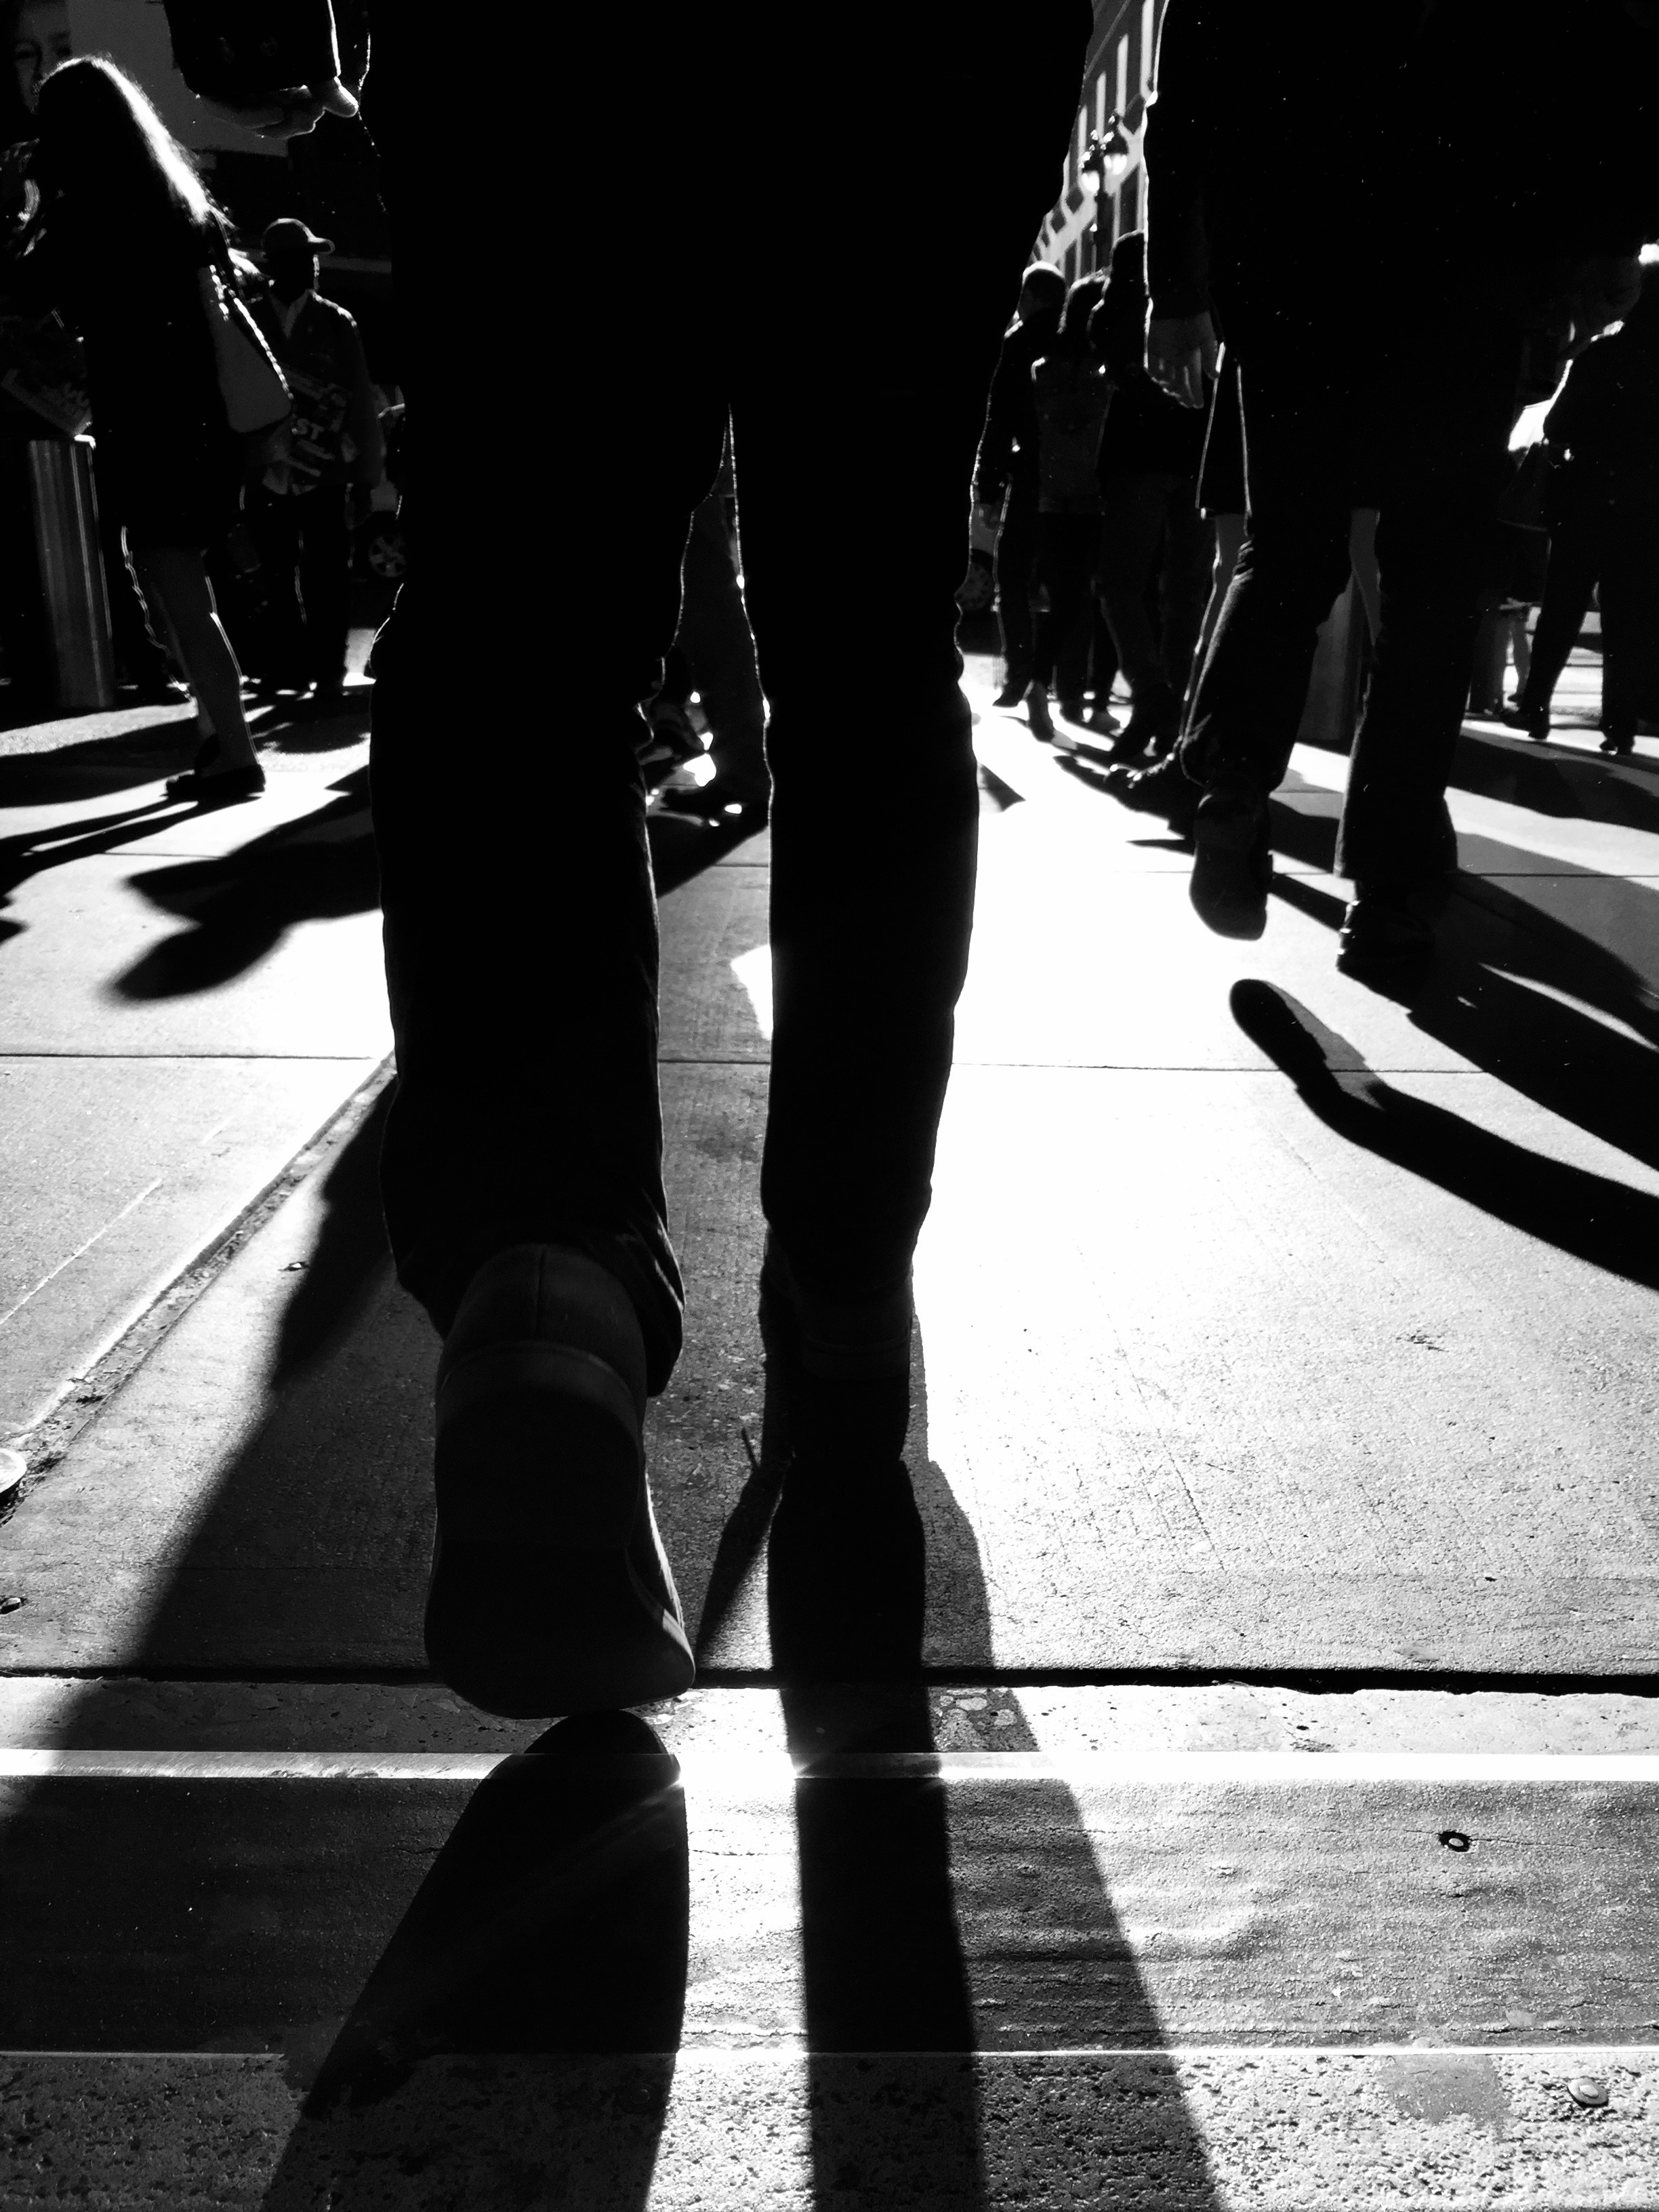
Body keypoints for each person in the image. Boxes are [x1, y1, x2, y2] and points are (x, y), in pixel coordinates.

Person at [163, 0, 1091, 1719]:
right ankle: (842, 1275)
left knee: (528, 594)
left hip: (557, 36)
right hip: (916, 59)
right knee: (867, 644)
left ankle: (546, 1276)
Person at [1140, 0, 1656, 966]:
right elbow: (1592, 48)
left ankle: (1236, 779)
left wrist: (1179, 285)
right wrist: (1606, 237)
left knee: (1288, 551)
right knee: (1431, 583)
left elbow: (1194, 85)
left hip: (1295, 260)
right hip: (1463, 256)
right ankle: (1387, 884)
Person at [31, 58, 263, 801]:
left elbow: (48, 292)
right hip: (200, 417)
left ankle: (234, 750)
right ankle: (218, 739)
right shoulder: (175, 199)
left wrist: (28, 203)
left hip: (146, 420)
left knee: (177, 588)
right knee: (184, 583)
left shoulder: (87, 206)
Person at [1504, 263, 1659, 754]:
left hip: (1587, 495)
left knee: (1563, 605)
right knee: (1627, 616)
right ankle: (1619, 724)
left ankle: (1536, 704)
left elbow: (1560, 424)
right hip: (1645, 505)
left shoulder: (1602, 356)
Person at [245, 214, 383, 708]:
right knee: (274, 574)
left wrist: (366, 479)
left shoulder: (336, 322)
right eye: (301, 259)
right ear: (276, 266)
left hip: (326, 474)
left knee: (328, 576)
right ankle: (288, 667)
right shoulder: (248, 317)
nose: (312, 268)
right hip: (267, 472)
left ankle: (328, 672)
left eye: (313, 259)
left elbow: (361, 403)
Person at [1088, 228, 1210, 759]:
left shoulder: (1115, 308)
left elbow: (1108, 355)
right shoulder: (1197, 291)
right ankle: (1175, 708)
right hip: (1194, 454)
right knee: (1185, 592)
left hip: (1137, 456)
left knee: (1120, 583)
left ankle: (1151, 693)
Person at [1021, 272, 1109, 744]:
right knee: (1096, 597)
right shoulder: (1109, 370)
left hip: (1052, 496)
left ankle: (1038, 679)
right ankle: (1081, 696)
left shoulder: (1044, 367)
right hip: (1097, 496)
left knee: (1059, 596)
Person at [975, 260, 1064, 710]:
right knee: (1062, 581)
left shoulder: (1017, 342)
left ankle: (1019, 673)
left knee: (1012, 576)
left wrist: (986, 487)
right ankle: (1050, 680)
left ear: (1028, 298)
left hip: (1028, 475)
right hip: (1075, 480)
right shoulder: (1074, 338)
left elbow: (999, 421)